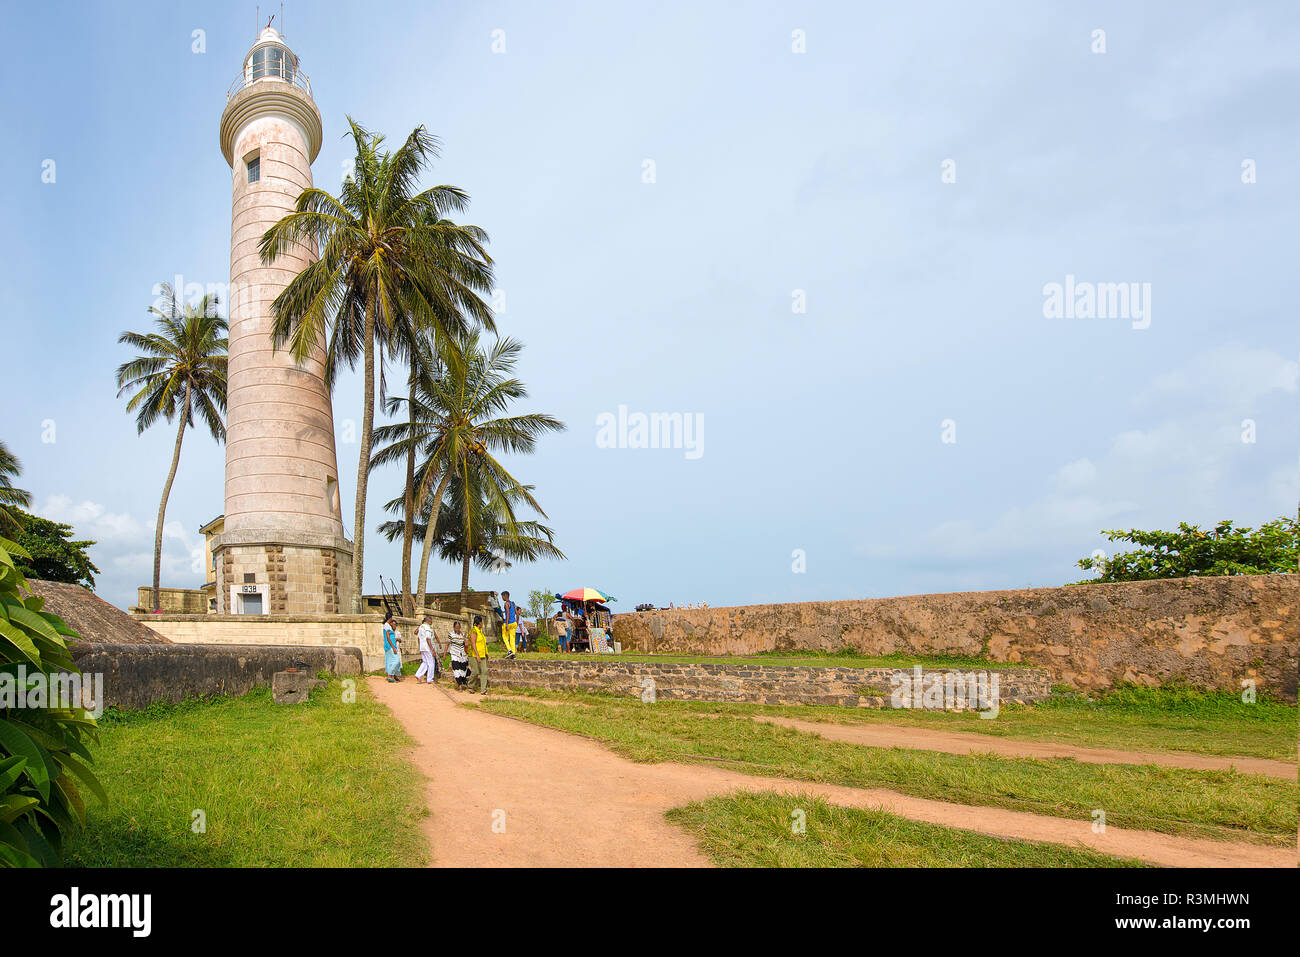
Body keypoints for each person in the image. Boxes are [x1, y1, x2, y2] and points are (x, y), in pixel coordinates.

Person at [466, 615, 489, 694]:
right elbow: (473, 644)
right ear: (479, 623)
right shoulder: (473, 631)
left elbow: (483, 643)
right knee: (475, 671)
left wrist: (486, 653)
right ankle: (470, 685)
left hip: (482, 655)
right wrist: (477, 655)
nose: (482, 623)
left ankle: (483, 689)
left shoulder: (481, 632)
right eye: (482, 622)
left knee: (484, 671)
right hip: (474, 655)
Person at [414, 615, 439, 683]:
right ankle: (430, 679)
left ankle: (418, 674)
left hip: (422, 647)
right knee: (431, 663)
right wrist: (432, 649)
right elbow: (428, 639)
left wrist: (419, 647)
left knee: (425, 662)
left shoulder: (421, 627)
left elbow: (417, 635)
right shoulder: (428, 628)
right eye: (431, 621)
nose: (431, 623)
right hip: (427, 647)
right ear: (428, 621)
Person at [447, 620, 469, 690]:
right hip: (454, 654)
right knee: (456, 669)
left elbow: (465, 644)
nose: (457, 629)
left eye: (459, 628)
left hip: (462, 654)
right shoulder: (451, 635)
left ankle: (464, 681)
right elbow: (447, 644)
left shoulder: (462, 635)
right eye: (456, 628)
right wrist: (444, 654)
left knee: (463, 669)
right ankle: (459, 684)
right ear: (454, 628)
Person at [382, 612, 403, 682]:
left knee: (389, 661)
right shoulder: (387, 626)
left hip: (389, 646)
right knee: (397, 660)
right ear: (390, 618)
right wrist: (393, 647)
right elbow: (388, 637)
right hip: (390, 646)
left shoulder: (387, 625)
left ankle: (390, 676)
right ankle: (391, 673)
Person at [499, 591, 519, 659]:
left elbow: (507, 614)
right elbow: (517, 614)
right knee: (512, 639)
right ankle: (513, 654)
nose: (502, 598)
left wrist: (506, 624)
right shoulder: (513, 603)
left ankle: (510, 651)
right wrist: (517, 622)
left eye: (502, 596)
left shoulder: (506, 604)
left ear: (505, 596)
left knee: (504, 636)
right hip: (514, 623)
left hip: (508, 623)